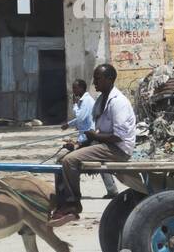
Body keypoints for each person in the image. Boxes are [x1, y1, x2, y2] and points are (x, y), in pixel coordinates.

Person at [55, 64, 135, 220]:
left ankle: (73, 204)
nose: (94, 83)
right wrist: (79, 145)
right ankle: (61, 202)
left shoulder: (118, 102)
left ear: (110, 79)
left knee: (70, 160)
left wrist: (94, 137)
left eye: (98, 79)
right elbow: (96, 133)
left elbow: (118, 136)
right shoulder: (100, 100)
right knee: (61, 159)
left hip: (118, 149)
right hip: (103, 145)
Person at [63, 78, 120, 197]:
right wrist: (69, 124)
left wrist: (74, 105)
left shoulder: (86, 101)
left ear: (82, 88)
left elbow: (80, 118)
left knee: (68, 161)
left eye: (75, 88)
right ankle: (112, 190)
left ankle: (72, 194)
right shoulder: (83, 101)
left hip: (89, 136)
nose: (73, 90)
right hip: (86, 136)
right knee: (100, 164)